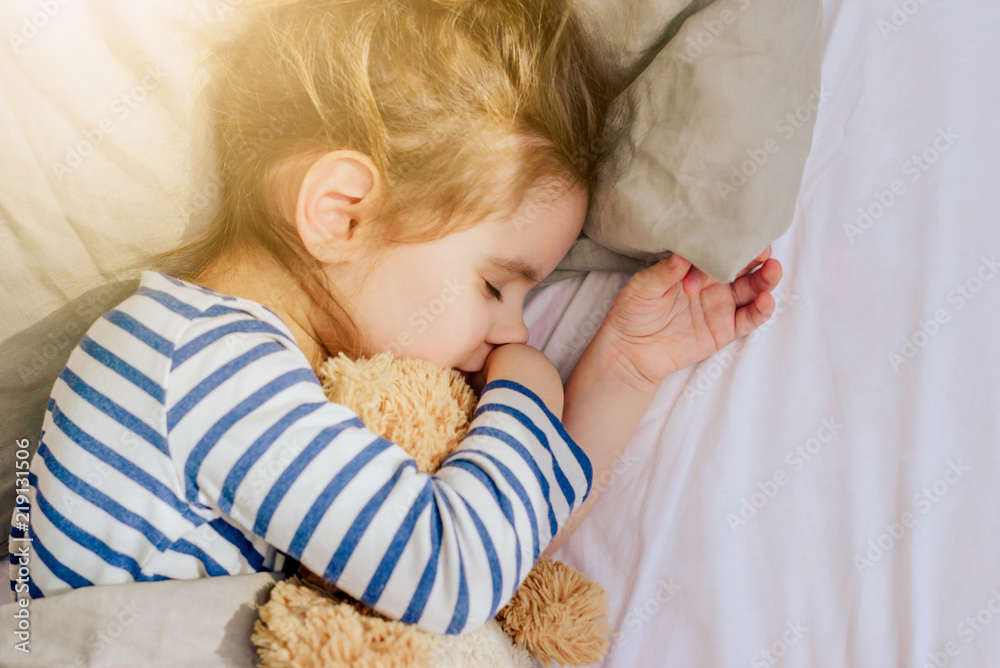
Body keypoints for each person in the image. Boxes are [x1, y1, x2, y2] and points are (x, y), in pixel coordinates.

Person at [9, 0, 782, 635]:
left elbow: (505, 540)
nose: (513, 332)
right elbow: (453, 570)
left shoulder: (255, 369)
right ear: (341, 216)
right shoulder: (198, 363)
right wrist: (525, 397)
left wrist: (622, 370)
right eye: (494, 285)